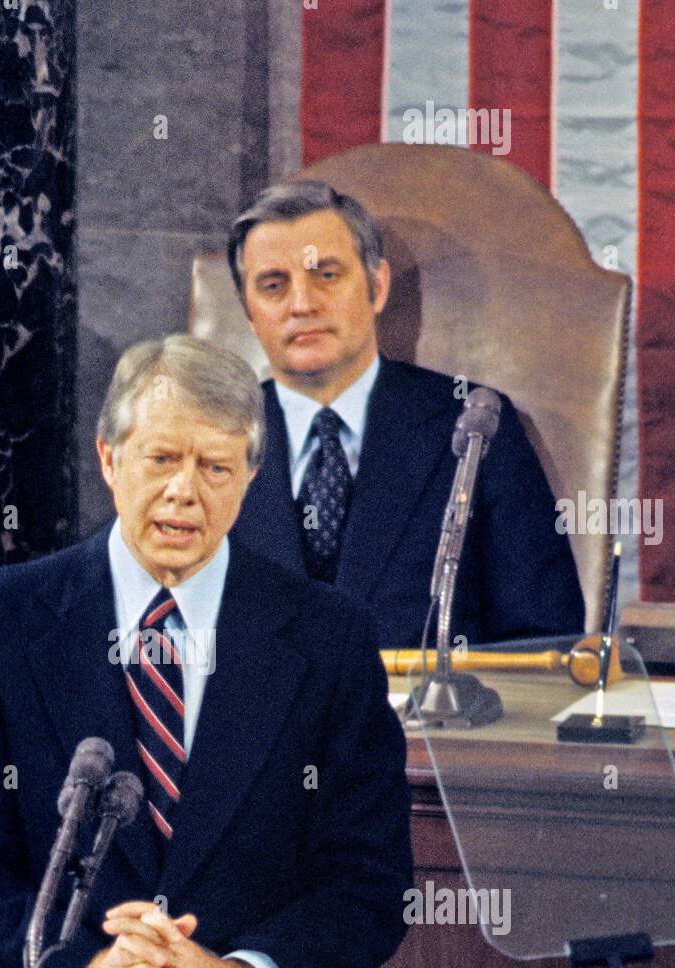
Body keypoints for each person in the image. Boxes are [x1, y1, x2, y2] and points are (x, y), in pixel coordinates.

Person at [0, 335, 413, 968]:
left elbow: (370, 881)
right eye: (163, 459)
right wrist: (83, 967)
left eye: (215, 468)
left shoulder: (330, 637)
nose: (185, 492)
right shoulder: (4, 617)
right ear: (110, 460)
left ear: (250, 479)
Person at [227, 180, 585, 648]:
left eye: (327, 276)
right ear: (249, 312)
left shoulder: (477, 427)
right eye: (274, 286)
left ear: (377, 287)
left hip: (431, 720)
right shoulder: (209, 437)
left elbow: (544, 643)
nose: (302, 304)